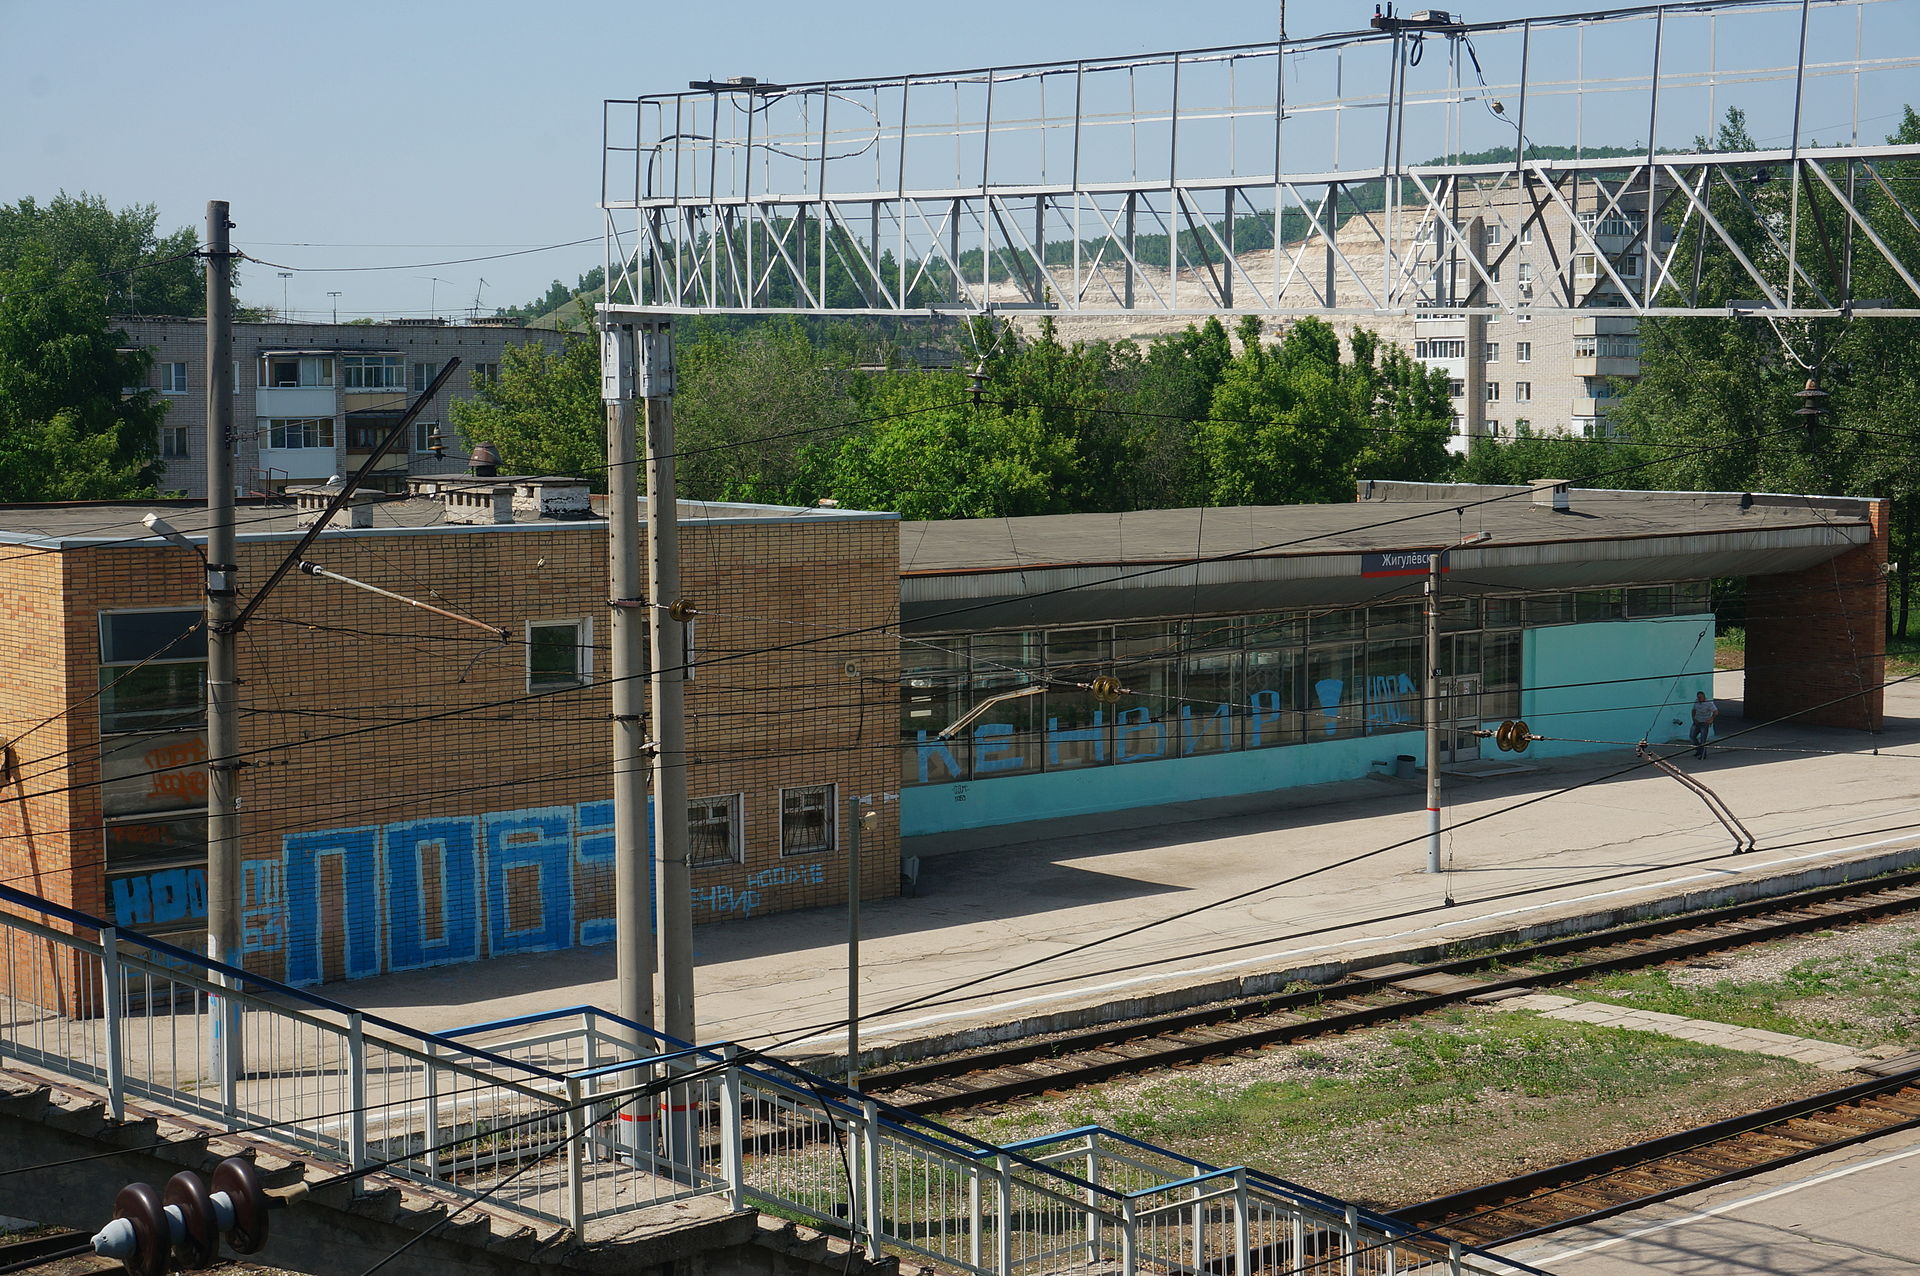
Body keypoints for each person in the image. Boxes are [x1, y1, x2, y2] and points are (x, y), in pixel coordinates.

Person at [1689, 691, 1718, 759]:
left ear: (1704, 697)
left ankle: (1703, 754)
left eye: (1700, 697)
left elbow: (1716, 712)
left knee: (1703, 740)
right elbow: (1693, 710)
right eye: (1698, 697)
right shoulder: (1696, 702)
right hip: (1697, 722)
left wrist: (1711, 719)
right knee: (1692, 737)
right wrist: (1693, 718)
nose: (1699, 699)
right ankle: (1699, 750)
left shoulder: (1709, 703)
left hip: (1704, 723)